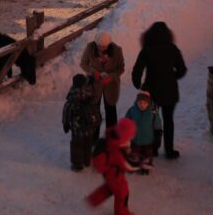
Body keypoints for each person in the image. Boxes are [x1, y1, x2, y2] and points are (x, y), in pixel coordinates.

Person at [130, 22, 187, 159]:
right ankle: (169, 150)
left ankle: (152, 148)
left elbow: (137, 70)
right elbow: (182, 69)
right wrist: (173, 76)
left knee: (150, 120)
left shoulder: (147, 50)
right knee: (168, 120)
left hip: (151, 91)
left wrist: (137, 84)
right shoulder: (172, 49)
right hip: (169, 90)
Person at [86, 118, 138, 215]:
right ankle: (122, 213)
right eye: (130, 136)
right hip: (114, 174)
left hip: (110, 172)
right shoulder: (116, 148)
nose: (131, 138)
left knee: (110, 188)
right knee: (123, 192)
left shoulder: (114, 139)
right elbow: (127, 165)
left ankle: (93, 199)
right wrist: (139, 165)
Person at [80, 31, 125, 128]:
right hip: (94, 84)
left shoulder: (117, 50)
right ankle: (93, 137)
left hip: (111, 85)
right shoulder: (90, 48)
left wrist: (111, 77)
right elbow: (83, 64)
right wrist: (93, 72)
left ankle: (112, 137)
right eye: (99, 46)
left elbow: (121, 68)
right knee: (93, 110)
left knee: (111, 110)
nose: (101, 48)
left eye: (104, 46)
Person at [63, 74, 102, 171]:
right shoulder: (90, 93)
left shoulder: (72, 97)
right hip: (89, 127)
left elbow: (66, 111)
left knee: (77, 145)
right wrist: (97, 121)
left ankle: (77, 164)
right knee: (88, 144)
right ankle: (87, 160)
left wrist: (66, 123)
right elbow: (95, 109)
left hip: (77, 128)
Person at [125, 91, 163, 174]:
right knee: (135, 153)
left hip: (148, 140)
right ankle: (134, 164)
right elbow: (126, 121)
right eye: (140, 103)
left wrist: (158, 135)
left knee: (147, 155)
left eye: (145, 103)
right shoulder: (132, 110)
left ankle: (146, 166)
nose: (142, 105)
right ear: (137, 102)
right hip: (135, 139)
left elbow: (157, 124)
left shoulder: (153, 112)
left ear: (148, 103)